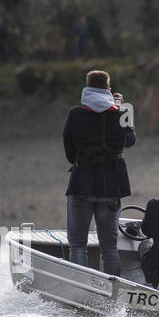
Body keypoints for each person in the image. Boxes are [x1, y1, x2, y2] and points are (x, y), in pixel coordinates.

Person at [63, 69, 135, 277]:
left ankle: (81, 290)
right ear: (108, 89)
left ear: (87, 88)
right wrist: (121, 108)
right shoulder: (123, 112)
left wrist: (79, 161)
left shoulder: (75, 114)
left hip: (81, 182)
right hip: (111, 185)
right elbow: (129, 140)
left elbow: (68, 146)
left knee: (77, 245)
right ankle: (111, 299)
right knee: (109, 248)